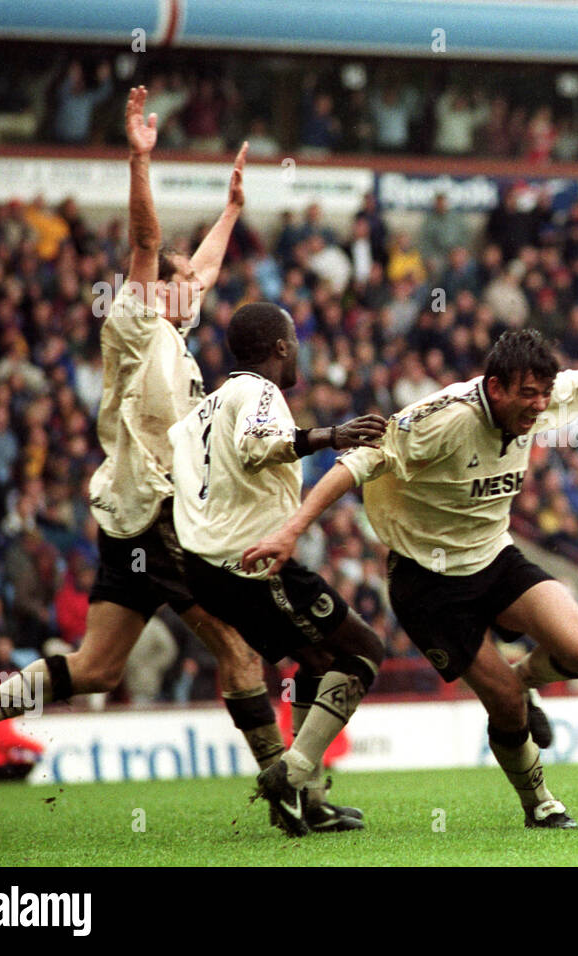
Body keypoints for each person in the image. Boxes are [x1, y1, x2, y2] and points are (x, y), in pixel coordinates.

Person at [0, 89, 301, 819]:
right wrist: (140, 159)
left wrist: (232, 211)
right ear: (155, 288)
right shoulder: (136, 322)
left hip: (128, 515)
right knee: (236, 648)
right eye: (178, 279)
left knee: (97, 665)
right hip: (162, 514)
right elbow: (145, 245)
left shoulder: (173, 325)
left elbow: (194, 268)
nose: (192, 286)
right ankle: (292, 798)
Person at [244, 328, 578, 829]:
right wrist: (293, 529)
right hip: (427, 582)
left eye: (543, 394)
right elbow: (356, 464)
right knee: (508, 709)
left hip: (494, 557)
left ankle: (520, 680)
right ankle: (538, 801)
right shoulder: (443, 420)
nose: (539, 406)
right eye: (528, 395)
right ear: (496, 388)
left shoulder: (536, 396)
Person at [169, 302, 388, 836]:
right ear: (282, 347)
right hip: (251, 562)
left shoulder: (203, 409)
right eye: (296, 340)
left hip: (203, 565)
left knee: (316, 659)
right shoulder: (259, 392)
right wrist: (329, 436)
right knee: (363, 650)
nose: (300, 350)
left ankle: (308, 799)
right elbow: (256, 444)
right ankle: (289, 777)